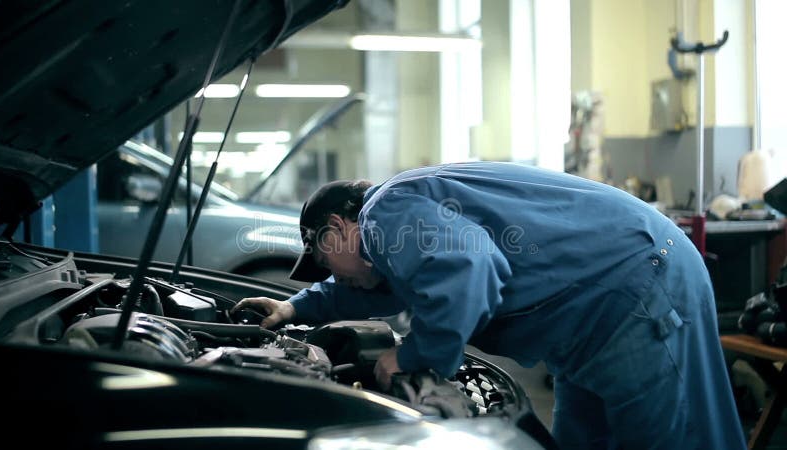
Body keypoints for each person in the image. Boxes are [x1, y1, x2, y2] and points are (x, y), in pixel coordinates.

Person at [233, 161, 745, 449]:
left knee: (668, 441)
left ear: (336, 228)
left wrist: (413, 355)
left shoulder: (383, 213)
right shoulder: (389, 238)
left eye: (323, 260)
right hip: (589, 324)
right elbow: (368, 287)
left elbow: (469, 267)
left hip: (637, 288)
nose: (330, 274)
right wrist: (292, 310)